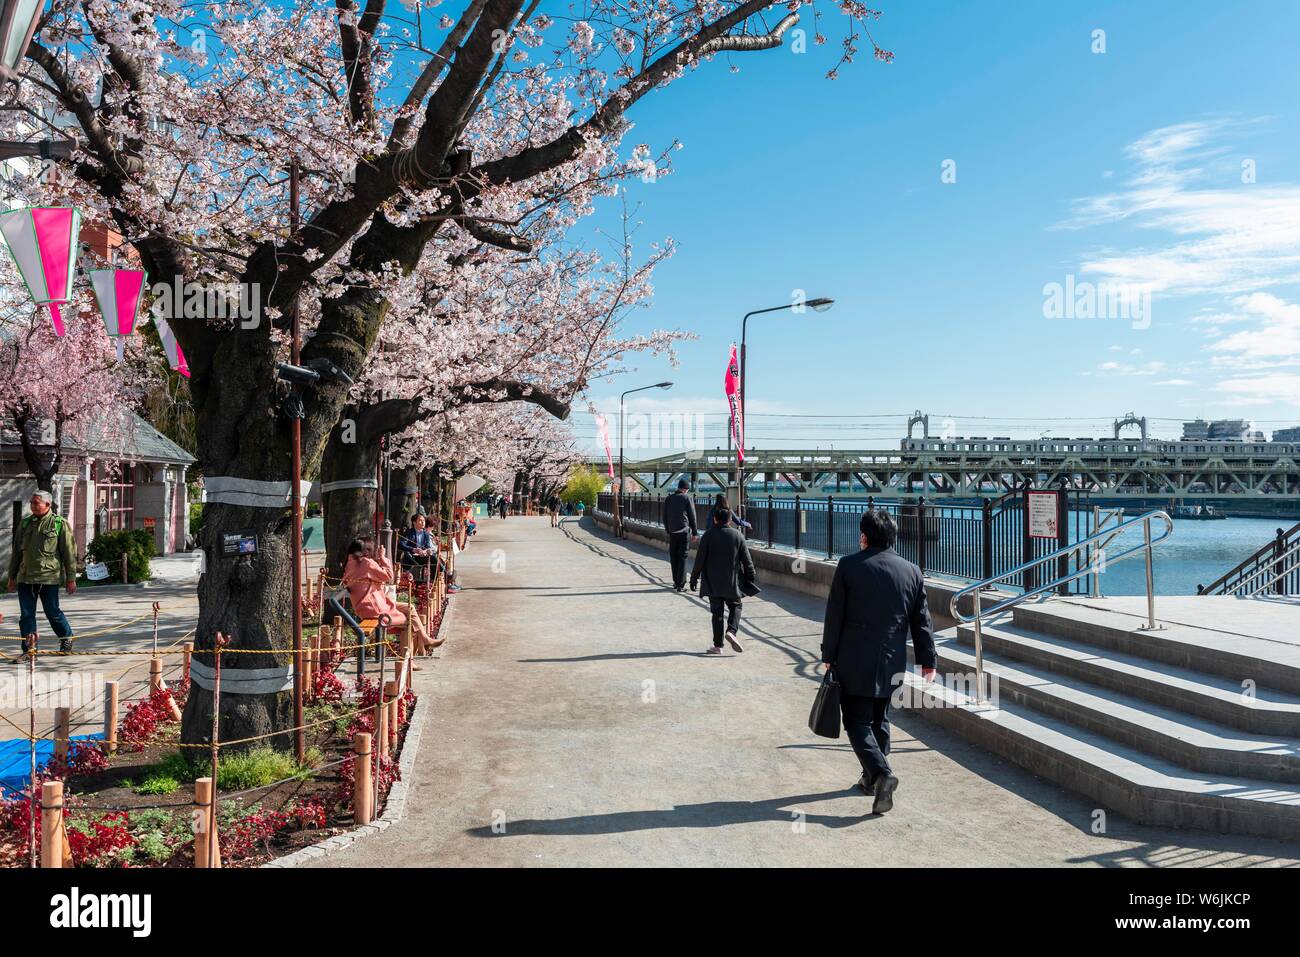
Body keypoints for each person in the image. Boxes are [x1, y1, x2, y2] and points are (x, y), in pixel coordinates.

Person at [821, 509, 937, 815]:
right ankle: (872, 779)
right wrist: (928, 661)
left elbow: (834, 616)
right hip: (891, 659)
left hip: (853, 657)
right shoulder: (912, 571)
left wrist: (828, 656)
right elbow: (921, 622)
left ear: (863, 536)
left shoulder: (848, 567)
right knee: (880, 719)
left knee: (857, 721)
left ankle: (882, 774)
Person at [7, 490, 78, 654]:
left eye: (36, 503)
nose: (33, 505)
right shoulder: (25, 524)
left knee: (52, 612)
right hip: (25, 577)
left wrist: (71, 578)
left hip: (49, 578)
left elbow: (69, 553)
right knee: (26, 615)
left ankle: (66, 638)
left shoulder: (59, 524)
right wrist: (12, 577)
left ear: (48, 504)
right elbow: (16, 552)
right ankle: (30, 649)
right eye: (32, 502)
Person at [344, 536, 441, 653]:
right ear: (366, 550)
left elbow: (376, 577)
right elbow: (389, 576)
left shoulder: (349, 564)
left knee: (410, 607)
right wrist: (383, 557)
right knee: (409, 623)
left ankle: (426, 640)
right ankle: (409, 659)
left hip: (367, 607)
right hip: (376, 609)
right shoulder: (365, 563)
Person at [690, 506, 754, 655]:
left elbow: (700, 559)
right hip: (732, 582)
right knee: (736, 605)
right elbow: (747, 560)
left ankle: (718, 646)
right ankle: (731, 631)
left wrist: (694, 577)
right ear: (730, 520)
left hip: (712, 582)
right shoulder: (737, 536)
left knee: (717, 613)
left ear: (715, 519)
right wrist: (751, 575)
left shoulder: (708, 535)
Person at [661, 479, 698, 591]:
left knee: (674, 557)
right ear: (686, 489)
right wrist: (695, 532)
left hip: (673, 532)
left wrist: (668, 529)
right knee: (682, 557)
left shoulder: (669, 498)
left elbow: (665, 516)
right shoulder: (687, 498)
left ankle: (675, 582)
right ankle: (680, 584)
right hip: (684, 531)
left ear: (678, 488)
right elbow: (692, 516)